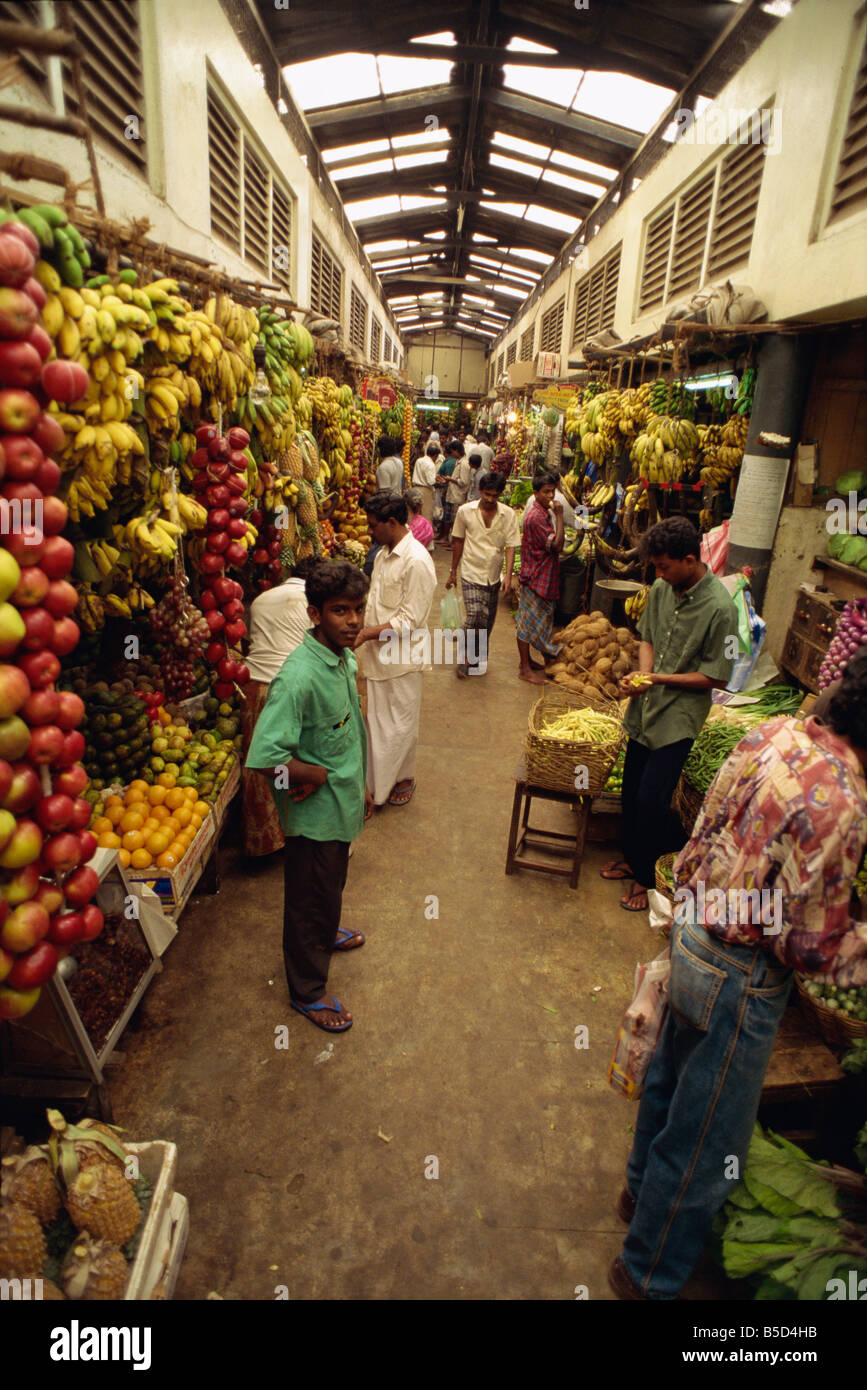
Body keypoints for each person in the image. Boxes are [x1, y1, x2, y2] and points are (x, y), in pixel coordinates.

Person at [611, 651, 867, 1301]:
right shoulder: (841, 797)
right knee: (705, 1141)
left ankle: (636, 1197)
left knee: (667, 1087)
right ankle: (645, 1272)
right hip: (742, 976)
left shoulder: (772, 733)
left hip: (694, 932)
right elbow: (807, 947)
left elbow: (697, 832)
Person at [245, 560, 372, 1034]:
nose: (354, 621)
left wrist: (362, 786)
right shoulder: (297, 677)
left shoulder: (342, 656)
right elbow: (262, 759)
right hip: (314, 817)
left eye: (359, 609)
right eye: (340, 611)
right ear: (315, 614)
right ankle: (307, 991)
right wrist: (308, 774)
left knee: (329, 884)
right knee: (308, 896)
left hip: (342, 805)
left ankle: (324, 931)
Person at [602, 516, 738, 913]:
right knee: (630, 794)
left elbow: (718, 675)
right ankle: (633, 859)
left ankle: (649, 879)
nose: (658, 574)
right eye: (656, 567)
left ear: (690, 560)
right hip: (646, 710)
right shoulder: (662, 588)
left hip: (679, 717)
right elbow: (647, 636)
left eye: (664, 566)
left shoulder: (722, 610)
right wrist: (644, 673)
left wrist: (658, 677)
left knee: (652, 800)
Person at [355, 491, 437, 808]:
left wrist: (365, 633)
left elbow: (409, 620)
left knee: (400, 726)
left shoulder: (416, 561)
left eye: (373, 525)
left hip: (403, 659)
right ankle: (388, 781)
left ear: (392, 522)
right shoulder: (381, 554)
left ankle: (392, 784)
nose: (369, 531)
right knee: (378, 724)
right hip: (379, 656)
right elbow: (376, 601)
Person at [240, 562, 314, 858]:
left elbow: (250, 644)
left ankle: (264, 842)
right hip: (291, 688)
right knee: (300, 761)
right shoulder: (314, 602)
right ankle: (300, 834)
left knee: (259, 765)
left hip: (255, 686)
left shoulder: (260, 599)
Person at [447, 472, 520, 678]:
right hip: (470, 570)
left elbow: (511, 545)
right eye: (487, 494)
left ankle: (475, 656)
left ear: (500, 495)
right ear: (480, 490)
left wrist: (507, 575)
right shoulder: (465, 511)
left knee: (486, 622)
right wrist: (453, 572)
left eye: (494, 496)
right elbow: (458, 541)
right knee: (475, 614)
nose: (489, 499)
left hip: (493, 574)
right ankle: (465, 657)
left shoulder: (508, 515)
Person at [515, 472, 565, 684]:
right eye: (546, 492)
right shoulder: (537, 517)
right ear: (535, 493)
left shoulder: (543, 511)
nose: (550, 495)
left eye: (552, 491)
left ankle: (527, 662)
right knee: (527, 623)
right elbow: (558, 545)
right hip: (537, 576)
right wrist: (561, 516)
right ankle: (525, 669)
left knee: (540, 620)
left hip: (541, 575)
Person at [441, 447, 472, 546]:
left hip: (457, 495)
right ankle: (447, 539)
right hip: (452, 494)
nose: (452, 453)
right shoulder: (458, 462)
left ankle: (455, 543)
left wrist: (450, 479)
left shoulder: (464, 464)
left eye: (453, 450)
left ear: (457, 451)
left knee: (456, 521)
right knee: (449, 518)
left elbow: (463, 482)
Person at [412, 441, 440, 522]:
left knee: (417, 515)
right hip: (426, 491)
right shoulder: (430, 464)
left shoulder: (419, 460)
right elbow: (431, 482)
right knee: (426, 515)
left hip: (416, 488)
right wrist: (439, 483)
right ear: (435, 456)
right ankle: (426, 533)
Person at [405, 486, 434, 552]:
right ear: (421, 505)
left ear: (405, 504)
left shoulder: (399, 524)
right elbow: (430, 550)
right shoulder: (426, 526)